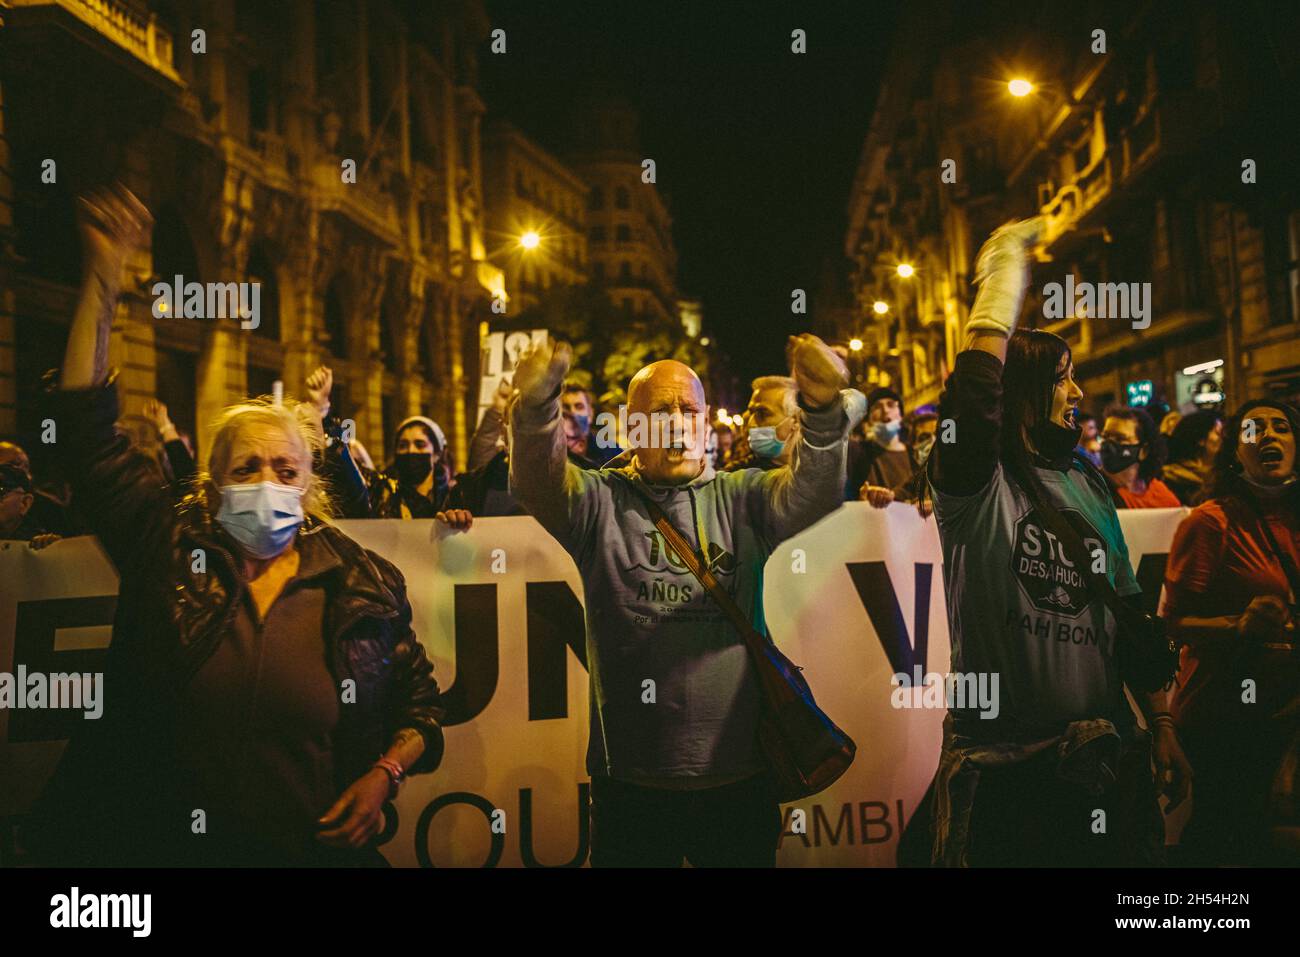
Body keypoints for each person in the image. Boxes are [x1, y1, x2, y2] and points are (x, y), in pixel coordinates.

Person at [27, 184, 448, 867]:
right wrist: (104, 280)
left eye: (285, 469)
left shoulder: (365, 581)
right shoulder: (161, 540)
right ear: (211, 481)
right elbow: (85, 429)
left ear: (310, 484)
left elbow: (421, 708)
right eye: (246, 466)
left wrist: (385, 774)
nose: (266, 482)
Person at [508, 332, 863, 867]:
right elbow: (538, 480)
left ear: (706, 424)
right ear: (632, 429)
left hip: (740, 781)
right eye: (659, 411)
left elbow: (816, 491)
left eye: (688, 410)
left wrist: (822, 410)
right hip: (631, 786)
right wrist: (535, 407)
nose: (676, 422)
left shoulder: (743, 497)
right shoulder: (597, 504)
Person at [899, 218, 1186, 867]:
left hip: (1104, 762)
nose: (1078, 393)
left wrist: (1163, 723)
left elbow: (1130, 613)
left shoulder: (1089, 482)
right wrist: (1002, 277)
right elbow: (971, 399)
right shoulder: (976, 483)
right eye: (1063, 378)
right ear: (1025, 389)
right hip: (1008, 776)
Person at [1164, 398, 1300, 865]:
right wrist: (1237, 625)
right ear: (1234, 451)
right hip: (1228, 717)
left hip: (1288, 713)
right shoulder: (1210, 521)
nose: (1268, 435)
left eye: (1280, 427)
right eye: (1252, 429)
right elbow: (1172, 623)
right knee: (1230, 837)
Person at [365, 415, 454, 518]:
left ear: (437, 454)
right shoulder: (381, 497)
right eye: (403, 446)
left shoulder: (453, 496)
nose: (411, 450)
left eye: (420, 445)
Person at [1099, 406, 1181, 508]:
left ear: (1144, 451)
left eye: (1120, 438)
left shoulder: (1162, 497)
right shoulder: (1092, 490)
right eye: (1105, 436)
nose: (1108, 444)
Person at [846, 386, 912, 503]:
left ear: (901, 415)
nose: (885, 410)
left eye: (891, 405)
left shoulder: (916, 456)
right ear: (869, 419)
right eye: (877, 406)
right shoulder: (856, 453)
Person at [725, 375, 800, 471]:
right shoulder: (735, 478)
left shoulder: (819, 472)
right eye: (751, 413)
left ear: (795, 420)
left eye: (763, 414)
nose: (751, 424)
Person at [1162, 410, 1222, 506]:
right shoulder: (1172, 479)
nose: (1223, 438)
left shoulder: (1220, 477)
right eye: (1218, 433)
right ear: (1201, 440)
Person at [562, 381, 620, 467]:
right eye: (566, 409)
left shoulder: (611, 450)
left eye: (579, 407)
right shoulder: (551, 456)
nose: (573, 414)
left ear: (590, 413)